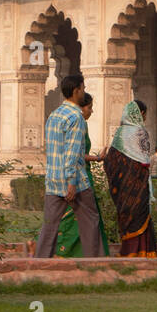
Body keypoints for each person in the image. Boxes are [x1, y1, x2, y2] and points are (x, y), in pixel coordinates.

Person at [34, 75, 105, 258]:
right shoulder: (76, 117)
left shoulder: (54, 115)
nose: (83, 91)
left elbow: (53, 150)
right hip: (75, 182)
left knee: (50, 225)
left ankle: (39, 264)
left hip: (53, 179)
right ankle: (93, 264)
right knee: (90, 221)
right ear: (76, 91)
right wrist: (71, 182)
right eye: (82, 88)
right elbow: (72, 153)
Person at [56, 93, 110, 258]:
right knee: (79, 214)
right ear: (81, 108)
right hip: (79, 174)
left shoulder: (72, 121)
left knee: (76, 215)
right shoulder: (78, 123)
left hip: (78, 172)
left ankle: (81, 252)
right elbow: (75, 153)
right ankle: (55, 247)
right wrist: (98, 158)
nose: (91, 112)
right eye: (89, 108)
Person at [103, 100, 157, 257]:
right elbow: (145, 160)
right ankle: (142, 251)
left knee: (127, 215)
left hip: (122, 186)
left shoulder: (119, 133)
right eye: (145, 114)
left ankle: (128, 251)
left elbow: (110, 160)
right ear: (141, 114)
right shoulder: (140, 132)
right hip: (137, 184)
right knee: (140, 215)